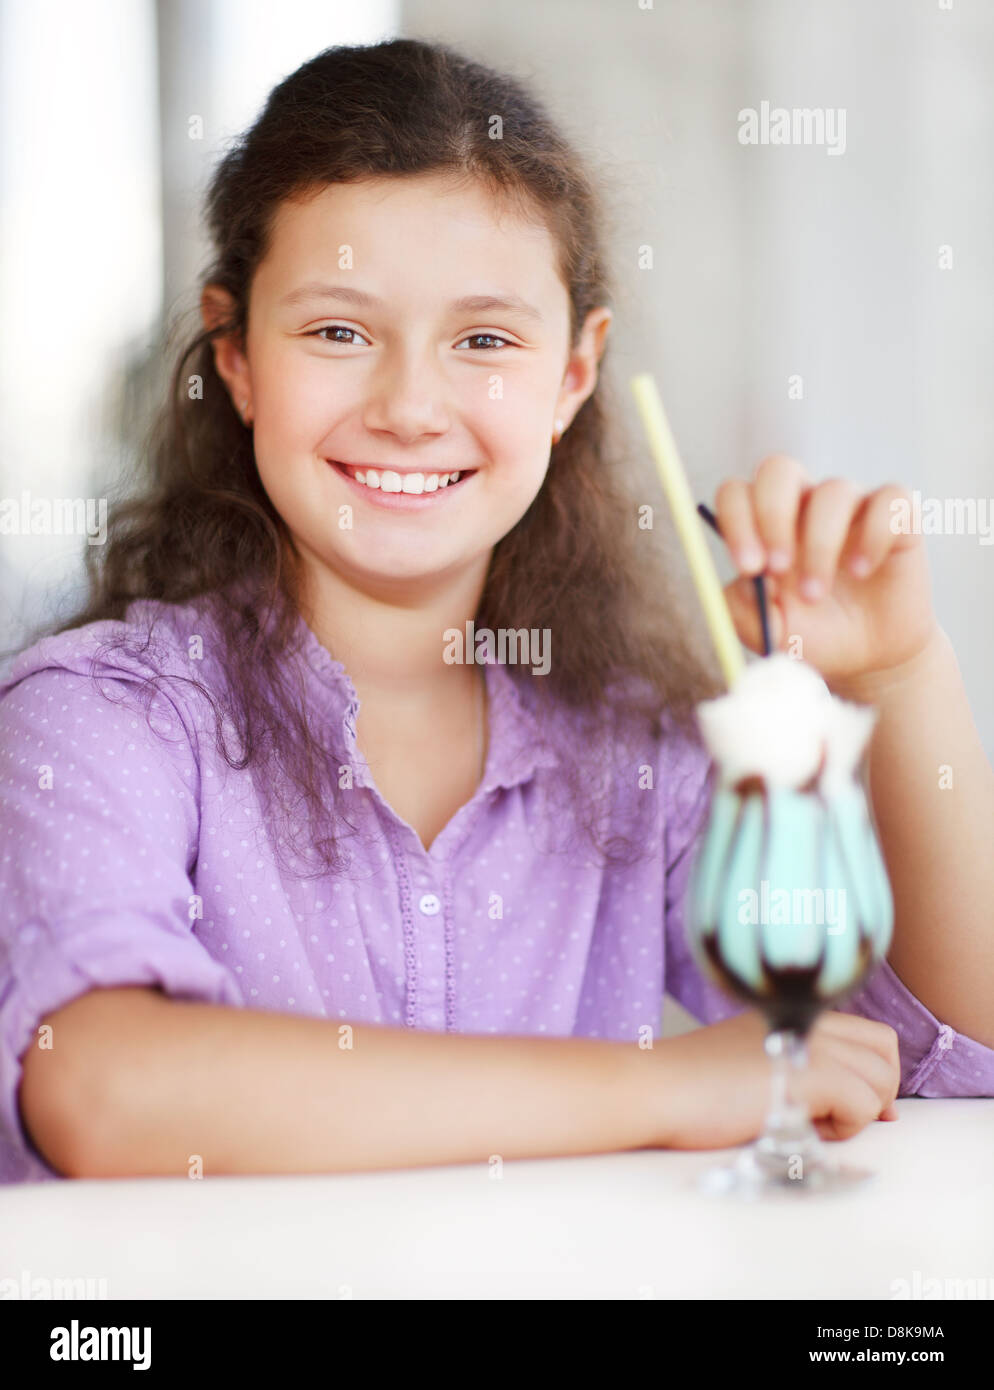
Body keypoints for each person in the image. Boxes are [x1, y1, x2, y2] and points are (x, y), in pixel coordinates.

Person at [2, 39, 992, 1185]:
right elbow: (104, 1089)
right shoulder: (94, 720)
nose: (412, 407)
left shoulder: (638, 750)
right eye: (337, 330)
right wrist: (663, 1086)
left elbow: (941, 1050)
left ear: (574, 373)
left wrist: (902, 673)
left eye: (483, 340)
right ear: (234, 358)